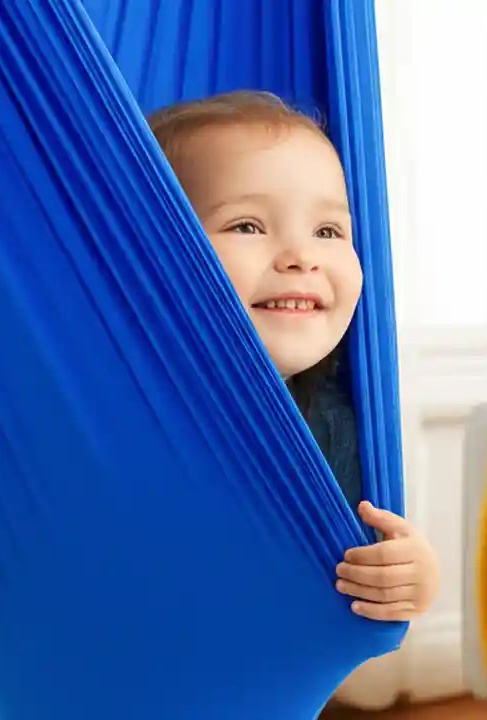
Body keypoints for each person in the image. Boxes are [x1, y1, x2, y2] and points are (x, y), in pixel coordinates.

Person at [147, 91, 440, 623]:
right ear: (160, 251)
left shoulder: (337, 423)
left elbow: (360, 566)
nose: (301, 257)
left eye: (328, 231)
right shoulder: (121, 404)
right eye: (247, 226)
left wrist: (409, 576)